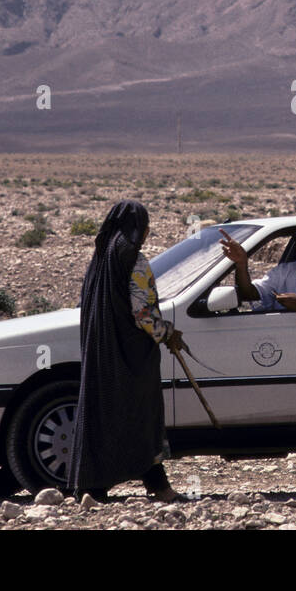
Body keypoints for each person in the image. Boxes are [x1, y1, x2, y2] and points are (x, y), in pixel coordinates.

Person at [67, 200, 185, 503]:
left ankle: (93, 487)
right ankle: (158, 486)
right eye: (145, 225)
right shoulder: (133, 259)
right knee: (141, 416)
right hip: (132, 357)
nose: (147, 232)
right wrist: (167, 334)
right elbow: (143, 312)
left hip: (101, 353)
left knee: (104, 413)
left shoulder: (101, 258)